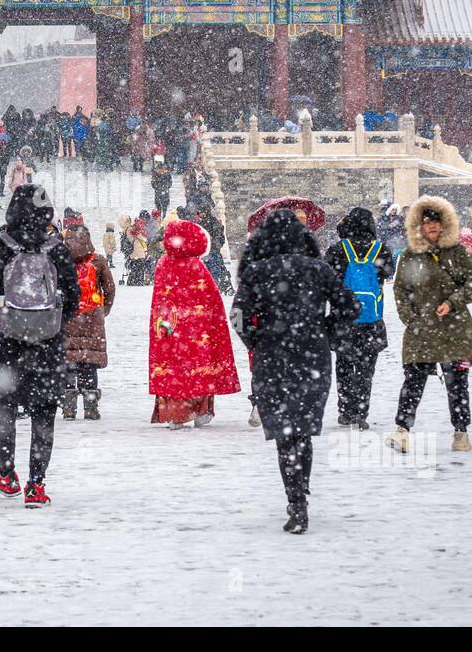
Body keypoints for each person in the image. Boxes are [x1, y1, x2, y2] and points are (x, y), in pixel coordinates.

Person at [233, 209, 360, 533]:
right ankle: (301, 491)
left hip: (272, 358)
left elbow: (238, 316)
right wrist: (328, 332)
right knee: (302, 431)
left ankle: (295, 498)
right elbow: (351, 306)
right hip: (312, 357)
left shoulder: (256, 272)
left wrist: (256, 340)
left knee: (284, 435)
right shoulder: (319, 269)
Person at [0, 184, 79, 508]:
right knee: (44, 415)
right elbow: (73, 297)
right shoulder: (56, 248)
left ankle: (7, 474)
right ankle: (37, 485)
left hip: (7, 344)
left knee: (5, 409)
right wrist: (51, 322)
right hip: (47, 345)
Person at [387, 196, 472, 454]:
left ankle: (461, 432)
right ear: (419, 226)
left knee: (457, 383)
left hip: (455, 329)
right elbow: (400, 290)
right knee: (413, 381)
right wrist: (410, 318)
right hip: (422, 329)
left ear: (444, 225)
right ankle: (402, 431)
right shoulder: (410, 255)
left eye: (435, 222)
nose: (431, 227)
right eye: (427, 223)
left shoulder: (458, 252)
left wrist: (453, 303)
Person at [149, 219, 241, 428]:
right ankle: (199, 410)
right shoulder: (195, 265)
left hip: (169, 327)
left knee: (173, 368)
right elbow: (212, 298)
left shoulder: (163, 263)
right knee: (198, 367)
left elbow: (160, 298)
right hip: (196, 330)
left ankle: (175, 412)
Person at [324, 207, 396, 430]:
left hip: (343, 319)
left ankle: (346, 410)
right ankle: (361, 411)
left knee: (344, 366)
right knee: (366, 369)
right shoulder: (380, 250)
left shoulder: (338, 249)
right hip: (371, 320)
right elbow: (389, 273)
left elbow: (327, 279)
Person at [61, 225, 115, 421]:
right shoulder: (98, 260)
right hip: (92, 317)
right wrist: (102, 310)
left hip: (66, 316)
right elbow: (109, 288)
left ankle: (68, 408)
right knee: (89, 363)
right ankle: (91, 406)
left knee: (68, 363)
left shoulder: (61, 261)